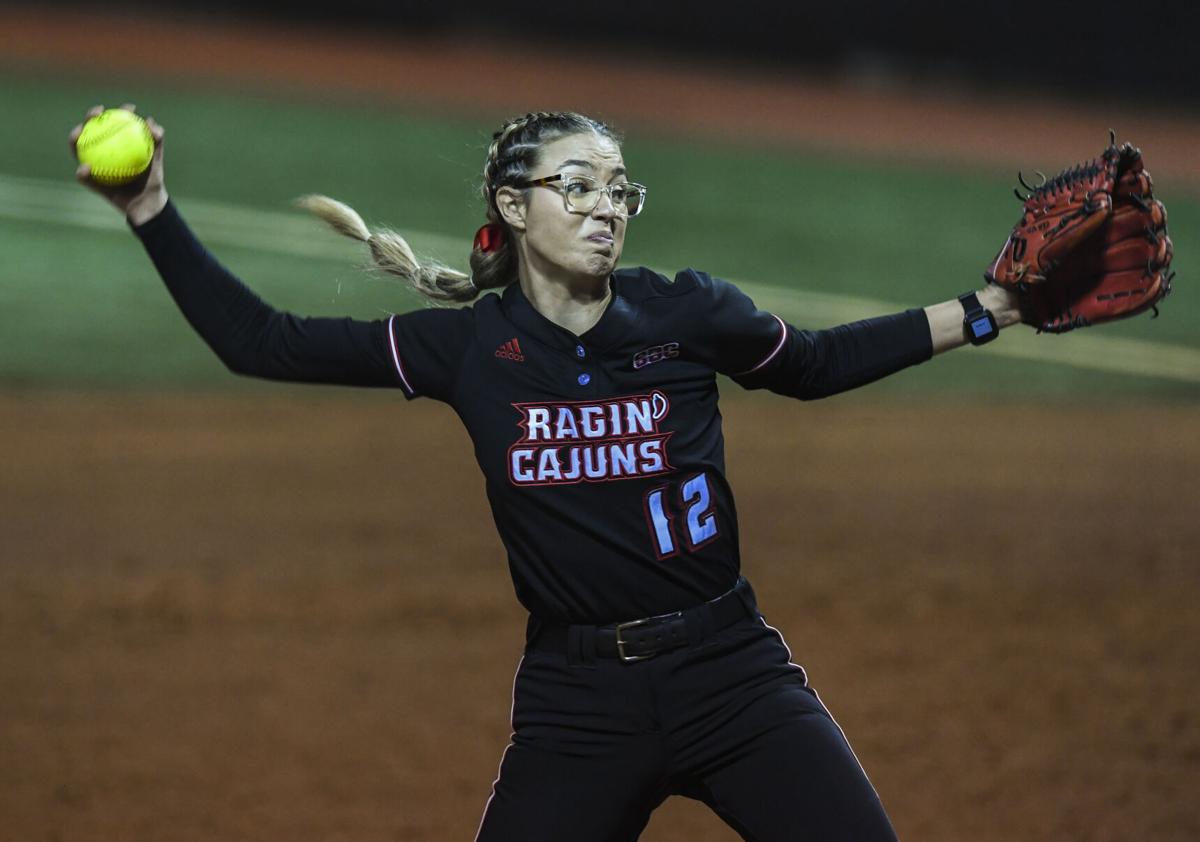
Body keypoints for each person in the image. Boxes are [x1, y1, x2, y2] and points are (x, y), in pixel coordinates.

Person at [71, 103, 1021, 841]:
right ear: (515, 207)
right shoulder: (469, 349)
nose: (608, 205)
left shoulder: (688, 312)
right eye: (580, 185)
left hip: (733, 676)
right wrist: (149, 208)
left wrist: (991, 309)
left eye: (620, 190)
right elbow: (261, 343)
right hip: (580, 704)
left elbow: (812, 365)